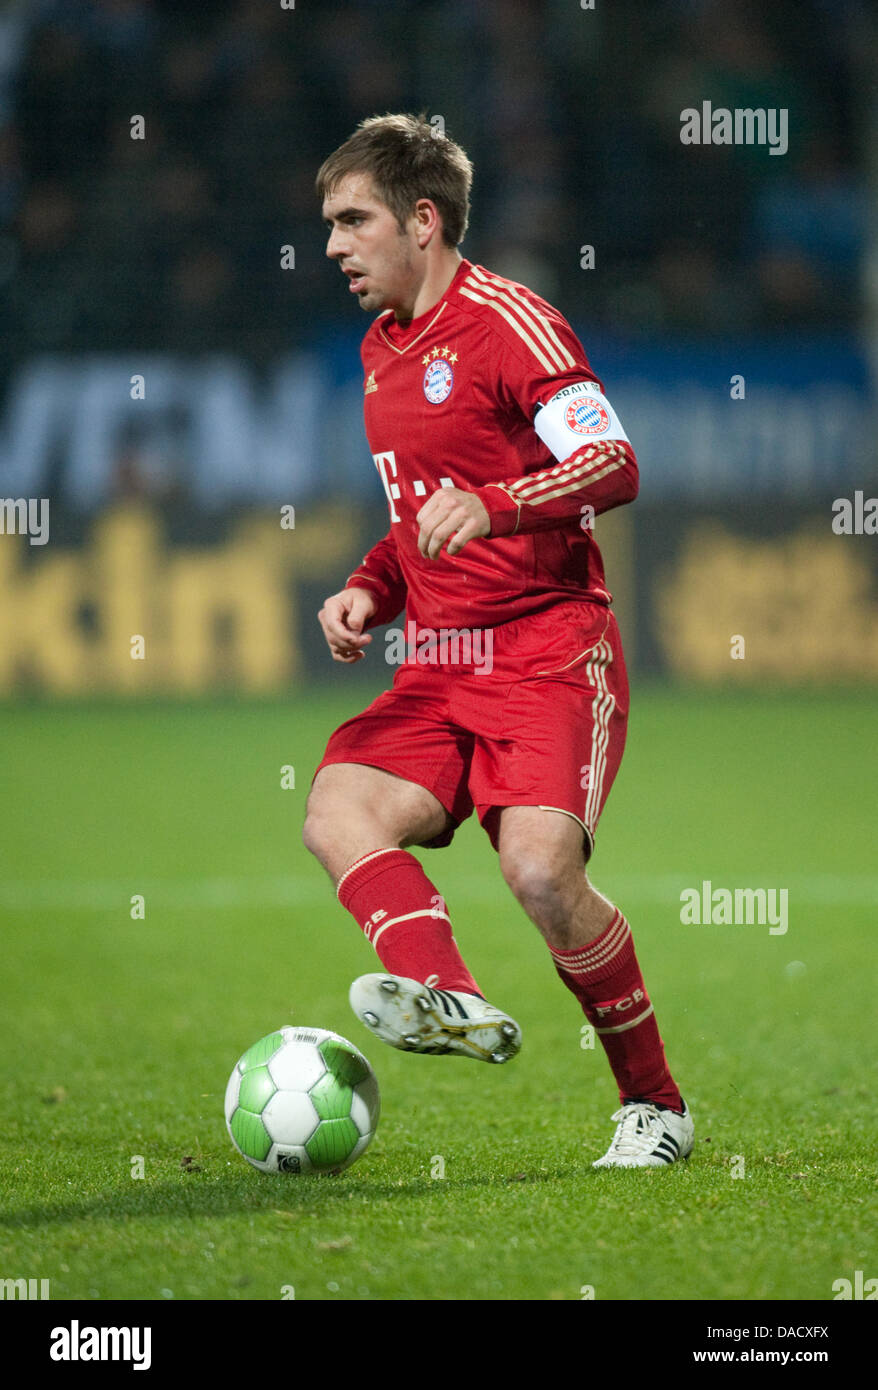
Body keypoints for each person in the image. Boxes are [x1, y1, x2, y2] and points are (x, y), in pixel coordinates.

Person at [303, 114, 693, 1167]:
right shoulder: (379, 350)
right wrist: (368, 588)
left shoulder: (509, 322)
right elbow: (416, 514)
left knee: (538, 873)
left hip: (548, 645)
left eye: (353, 220)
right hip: (438, 660)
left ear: (421, 220)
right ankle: (450, 994)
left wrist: (498, 501)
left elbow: (612, 463)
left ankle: (653, 1104)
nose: (332, 245)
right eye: (329, 225)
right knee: (336, 805)